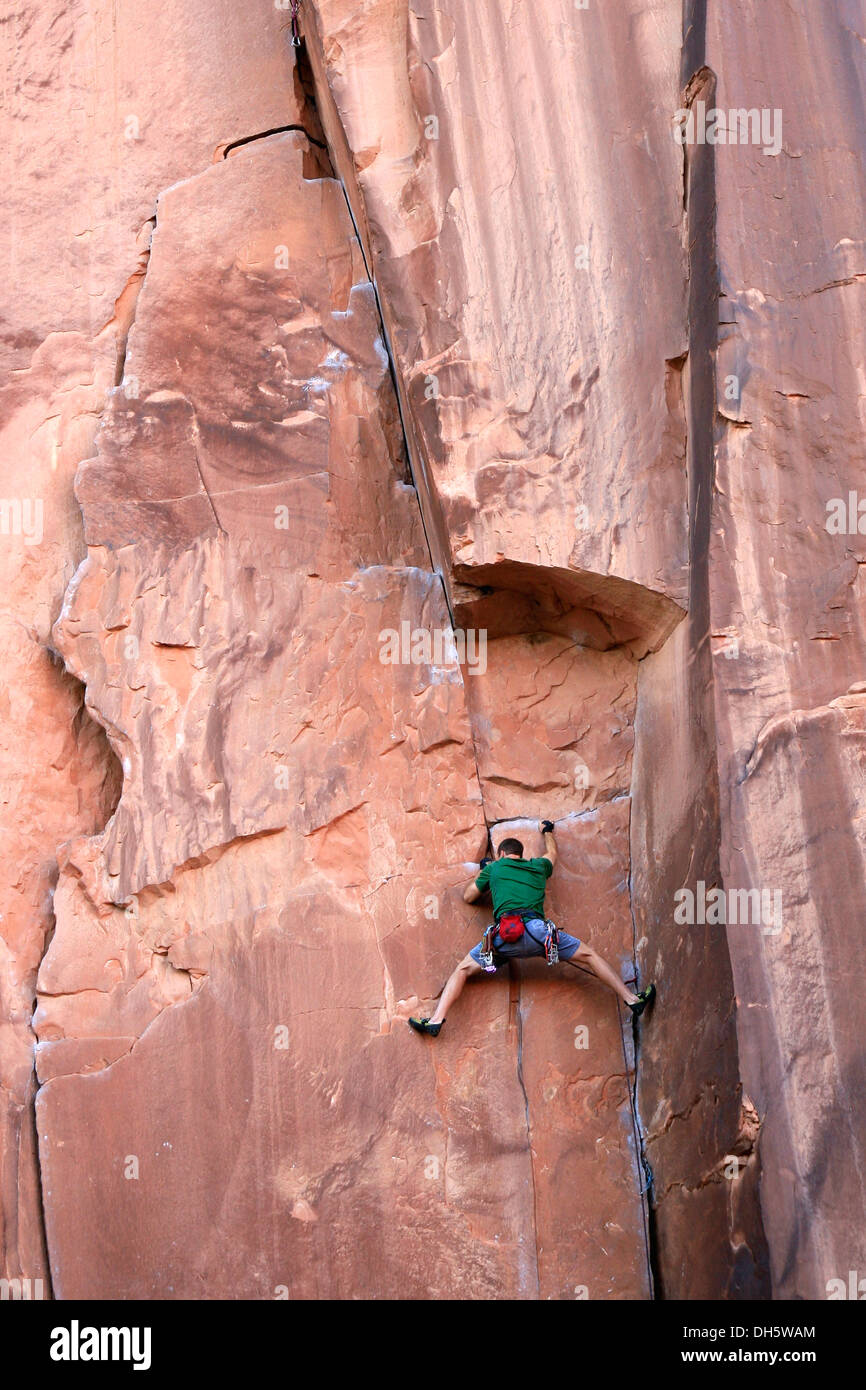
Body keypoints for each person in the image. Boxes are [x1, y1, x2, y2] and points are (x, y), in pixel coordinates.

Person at [409, 819, 655, 1037]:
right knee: (589, 956)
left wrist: (485, 873)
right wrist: (546, 830)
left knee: (462, 970)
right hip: (540, 937)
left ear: (502, 853)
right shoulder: (538, 866)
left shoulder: (494, 868)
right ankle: (632, 999)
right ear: (520, 853)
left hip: (504, 939)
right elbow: (552, 853)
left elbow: (469, 896)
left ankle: (436, 1019)